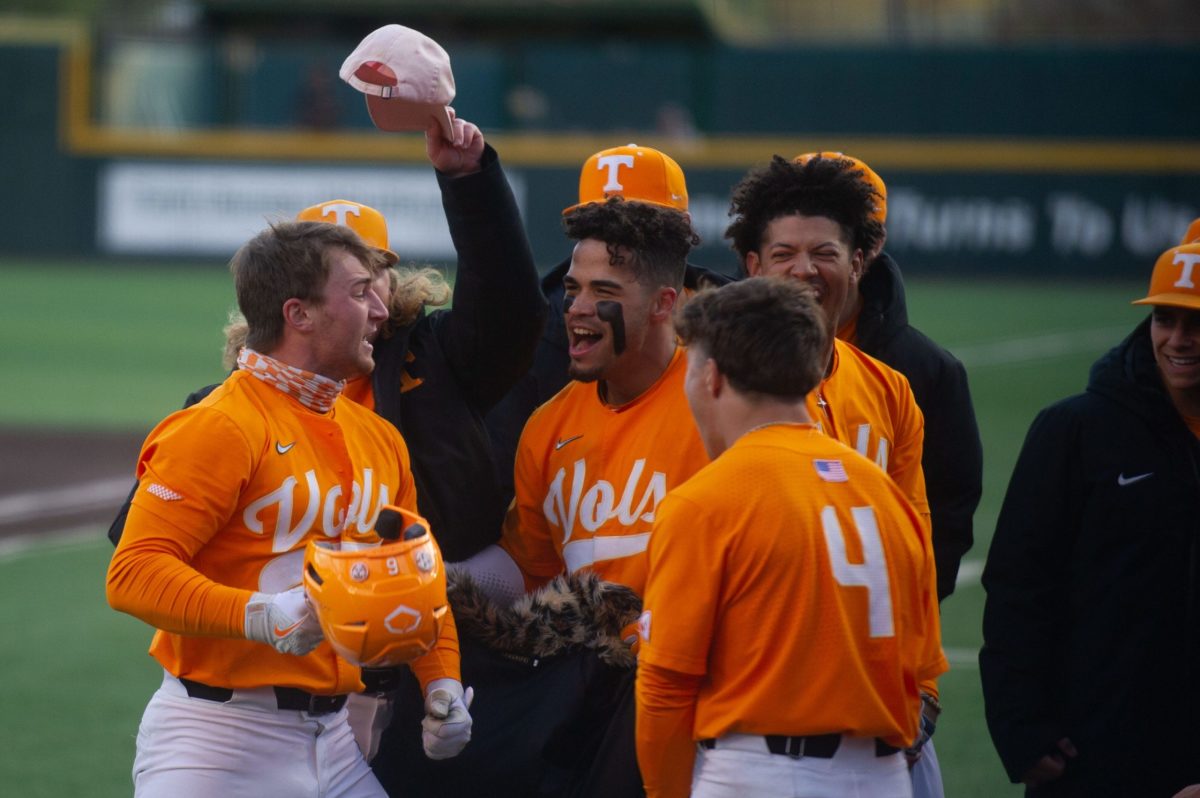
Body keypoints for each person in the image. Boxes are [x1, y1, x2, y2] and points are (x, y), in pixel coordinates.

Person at [105, 220, 472, 797]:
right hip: (216, 740)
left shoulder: (378, 437)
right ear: (298, 314)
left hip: (336, 742)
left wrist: (443, 684)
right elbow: (132, 574)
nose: (382, 310)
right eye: (360, 292)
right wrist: (262, 616)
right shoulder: (219, 425)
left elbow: (416, 580)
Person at [109, 112, 544, 566]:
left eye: (374, 271)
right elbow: (145, 555)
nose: (370, 296)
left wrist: (471, 181)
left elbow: (511, 308)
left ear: (392, 281)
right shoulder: (223, 412)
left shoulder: (440, 359)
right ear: (297, 305)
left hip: (436, 594)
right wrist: (258, 602)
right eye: (350, 281)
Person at [636, 276, 947, 798]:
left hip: (764, 774)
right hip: (885, 776)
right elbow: (920, 668)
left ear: (712, 377)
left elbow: (665, 687)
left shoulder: (704, 502)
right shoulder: (885, 494)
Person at [724, 153, 944, 794]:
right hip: (750, 724)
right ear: (753, 266)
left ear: (858, 263)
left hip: (878, 714)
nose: (805, 270)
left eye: (824, 253)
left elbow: (915, 552)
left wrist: (925, 686)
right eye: (784, 254)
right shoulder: (708, 387)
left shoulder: (890, 391)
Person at [980, 235, 1200, 797]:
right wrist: (1020, 727)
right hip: (1095, 754)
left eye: (1197, 323)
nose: (1179, 340)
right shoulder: (1076, 430)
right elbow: (1018, 584)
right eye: (1165, 319)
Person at [485, 143, 730, 514]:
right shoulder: (546, 410)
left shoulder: (729, 395)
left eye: (602, 291)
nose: (578, 308)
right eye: (573, 289)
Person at [796, 151, 982, 603]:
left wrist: (905, 611)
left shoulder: (924, 372)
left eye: (826, 243)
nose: (805, 265)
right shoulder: (714, 353)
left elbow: (945, 518)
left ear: (868, 250)